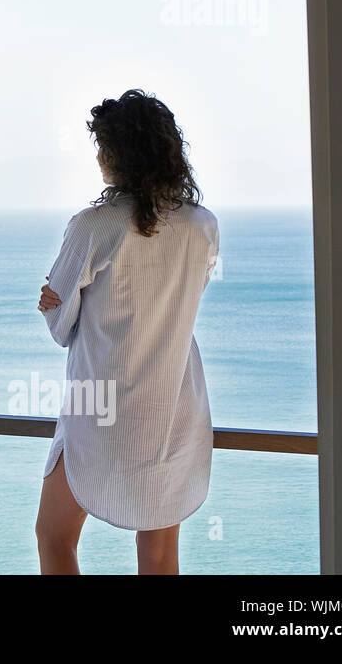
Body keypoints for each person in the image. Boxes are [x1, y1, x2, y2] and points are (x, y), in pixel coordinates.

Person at [35, 89, 219, 574]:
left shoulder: (94, 225)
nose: (98, 157)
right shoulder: (202, 226)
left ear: (118, 155)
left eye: (103, 147)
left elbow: (60, 323)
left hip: (100, 408)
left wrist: (55, 303)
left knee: (54, 537)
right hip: (171, 408)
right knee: (157, 554)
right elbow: (182, 299)